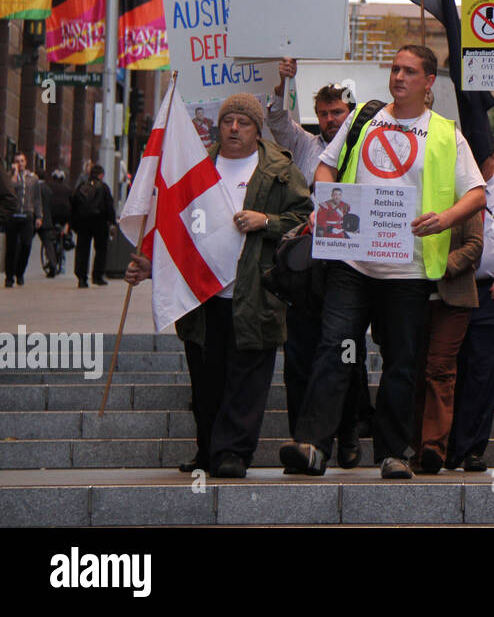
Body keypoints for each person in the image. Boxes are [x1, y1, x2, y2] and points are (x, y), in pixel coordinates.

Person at [280, 45, 486, 479]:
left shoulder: (447, 133)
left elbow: (477, 193)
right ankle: (313, 445)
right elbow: (326, 167)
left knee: (402, 361)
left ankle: (393, 453)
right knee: (335, 350)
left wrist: (445, 219)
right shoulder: (362, 119)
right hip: (352, 263)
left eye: (409, 71)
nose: (398, 77)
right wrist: (322, 204)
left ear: (429, 82)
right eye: (395, 68)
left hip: (408, 269)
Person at [124, 93, 312, 477]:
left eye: (243, 122)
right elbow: (174, 226)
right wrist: (152, 265)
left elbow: (305, 220)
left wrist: (266, 221)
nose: (233, 128)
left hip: (255, 292)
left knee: (246, 380)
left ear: (257, 128)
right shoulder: (196, 166)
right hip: (200, 293)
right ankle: (208, 449)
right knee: (207, 379)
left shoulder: (278, 169)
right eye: (228, 121)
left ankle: (233, 454)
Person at [267, 60, 370, 467]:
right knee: (300, 354)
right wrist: (283, 80)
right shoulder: (309, 147)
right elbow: (277, 120)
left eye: (337, 113)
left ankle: (347, 434)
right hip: (312, 269)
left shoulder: (369, 147)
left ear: (351, 113)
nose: (329, 120)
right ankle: (303, 436)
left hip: (354, 268)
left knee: (346, 353)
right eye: (324, 113)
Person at [447, 138, 494, 472]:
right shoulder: (452, 192)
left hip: (493, 292)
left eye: (480, 156)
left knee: (483, 372)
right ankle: (446, 443)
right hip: (455, 289)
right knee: (451, 368)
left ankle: (474, 447)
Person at [412, 209, 483, 472]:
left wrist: (443, 265)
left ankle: (433, 447)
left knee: (439, 369)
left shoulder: (465, 191)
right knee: (414, 371)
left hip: (453, 297)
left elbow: (475, 244)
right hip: (410, 296)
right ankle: (415, 448)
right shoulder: (408, 185)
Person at [72, 164, 116, 288]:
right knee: (101, 249)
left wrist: (74, 224)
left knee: (82, 249)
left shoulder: (81, 187)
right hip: (100, 222)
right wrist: (112, 222)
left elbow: (74, 206)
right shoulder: (104, 187)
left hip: (83, 223)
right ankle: (97, 276)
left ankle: (81, 278)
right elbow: (109, 206)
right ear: (101, 175)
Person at [5, 154, 42, 287]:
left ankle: (20, 272)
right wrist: (14, 174)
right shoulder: (9, 177)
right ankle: (9, 277)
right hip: (12, 215)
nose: (19, 164)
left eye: (21, 161)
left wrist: (39, 216)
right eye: (16, 161)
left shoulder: (33, 179)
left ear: (26, 162)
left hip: (27, 214)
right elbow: (10, 189)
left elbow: (37, 199)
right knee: (11, 247)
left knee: (26, 245)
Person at [39, 168, 73, 277]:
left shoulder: (49, 187)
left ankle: (52, 255)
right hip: (65, 216)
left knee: (50, 237)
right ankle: (65, 239)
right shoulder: (68, 189)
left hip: (52, 215)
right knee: (64, 230)